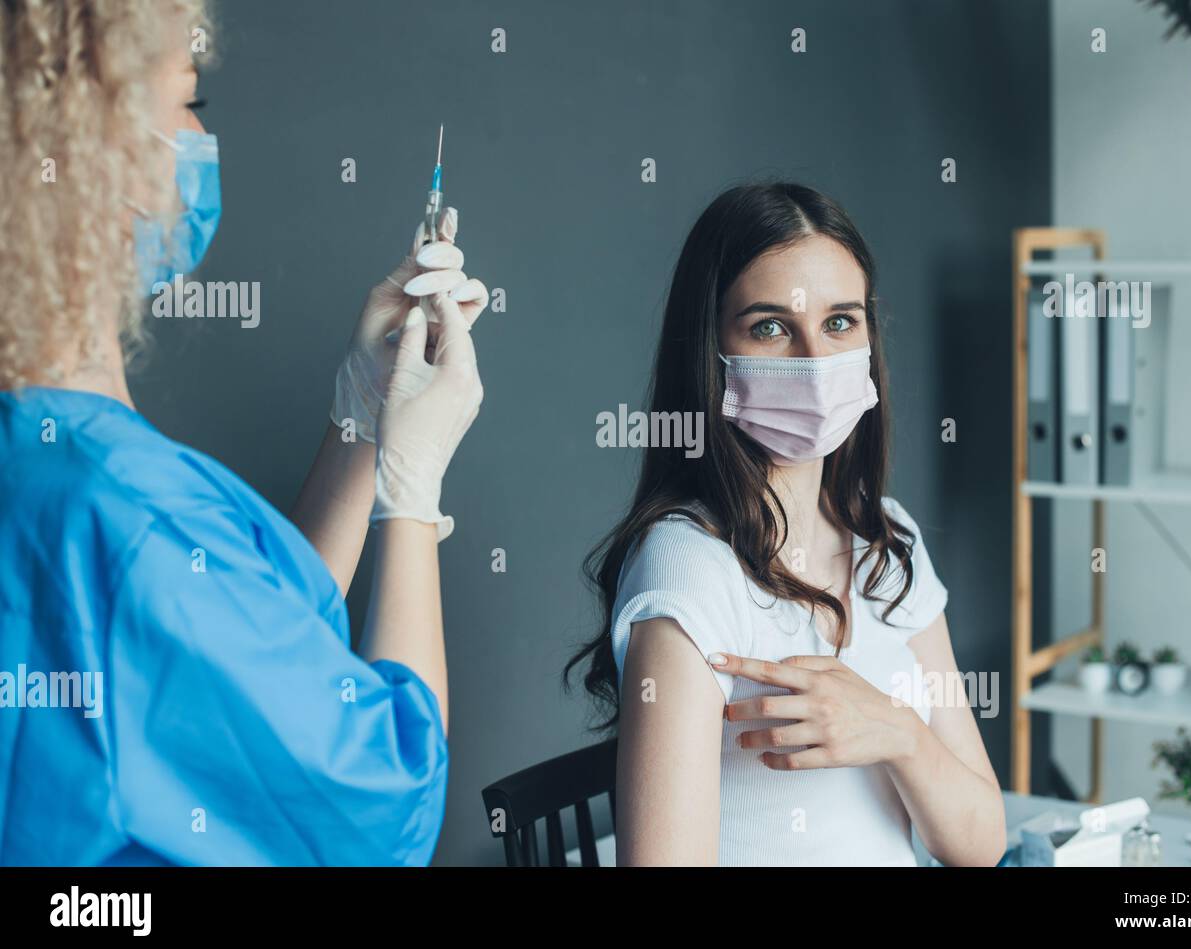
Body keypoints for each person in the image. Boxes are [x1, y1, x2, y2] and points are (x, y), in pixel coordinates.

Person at [0, 0, 488, 865]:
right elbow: (382, 803)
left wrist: (364, 419)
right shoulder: (117, 508)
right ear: (86, 145)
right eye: (190, 103)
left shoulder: (47, 465)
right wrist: (412, 496)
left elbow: (265, 643)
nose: (196, 137)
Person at [566, 183, 1006, 866]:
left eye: (839, 323)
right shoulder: (688, 567)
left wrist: (895, 730)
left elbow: (981, 843)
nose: (815, 362)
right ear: (709, 349)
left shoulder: (891, 539)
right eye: (770, 327)